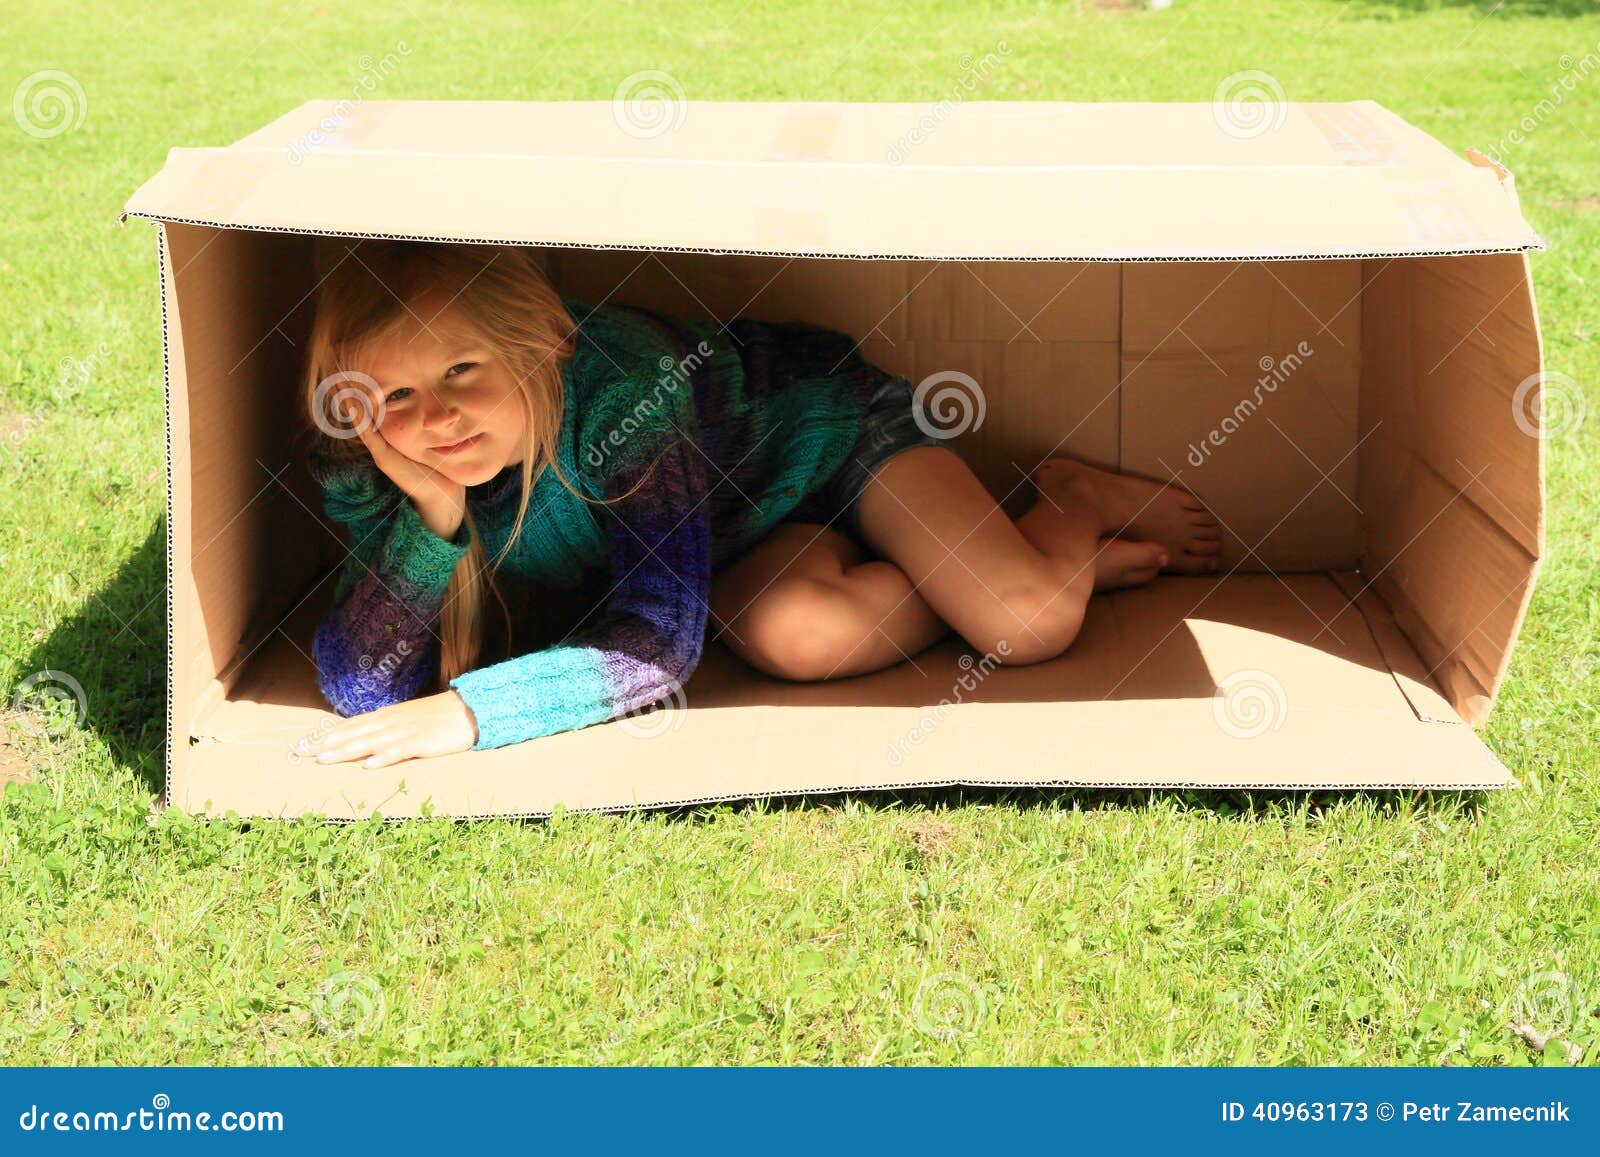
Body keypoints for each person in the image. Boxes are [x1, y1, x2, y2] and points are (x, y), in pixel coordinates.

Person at [302, 240, 1220, 769]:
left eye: (461, 370)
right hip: (745, 540)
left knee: (1028, 624)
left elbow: (659, 642)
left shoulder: (625, 394)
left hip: (831, 441)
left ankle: (1065, 504)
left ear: (547, 338)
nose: (437, 420)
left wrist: (471, 713)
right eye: (396, 397)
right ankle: (970, 567)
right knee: (796, 640)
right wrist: (431, 519)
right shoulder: (379, 460)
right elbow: (361, 686)